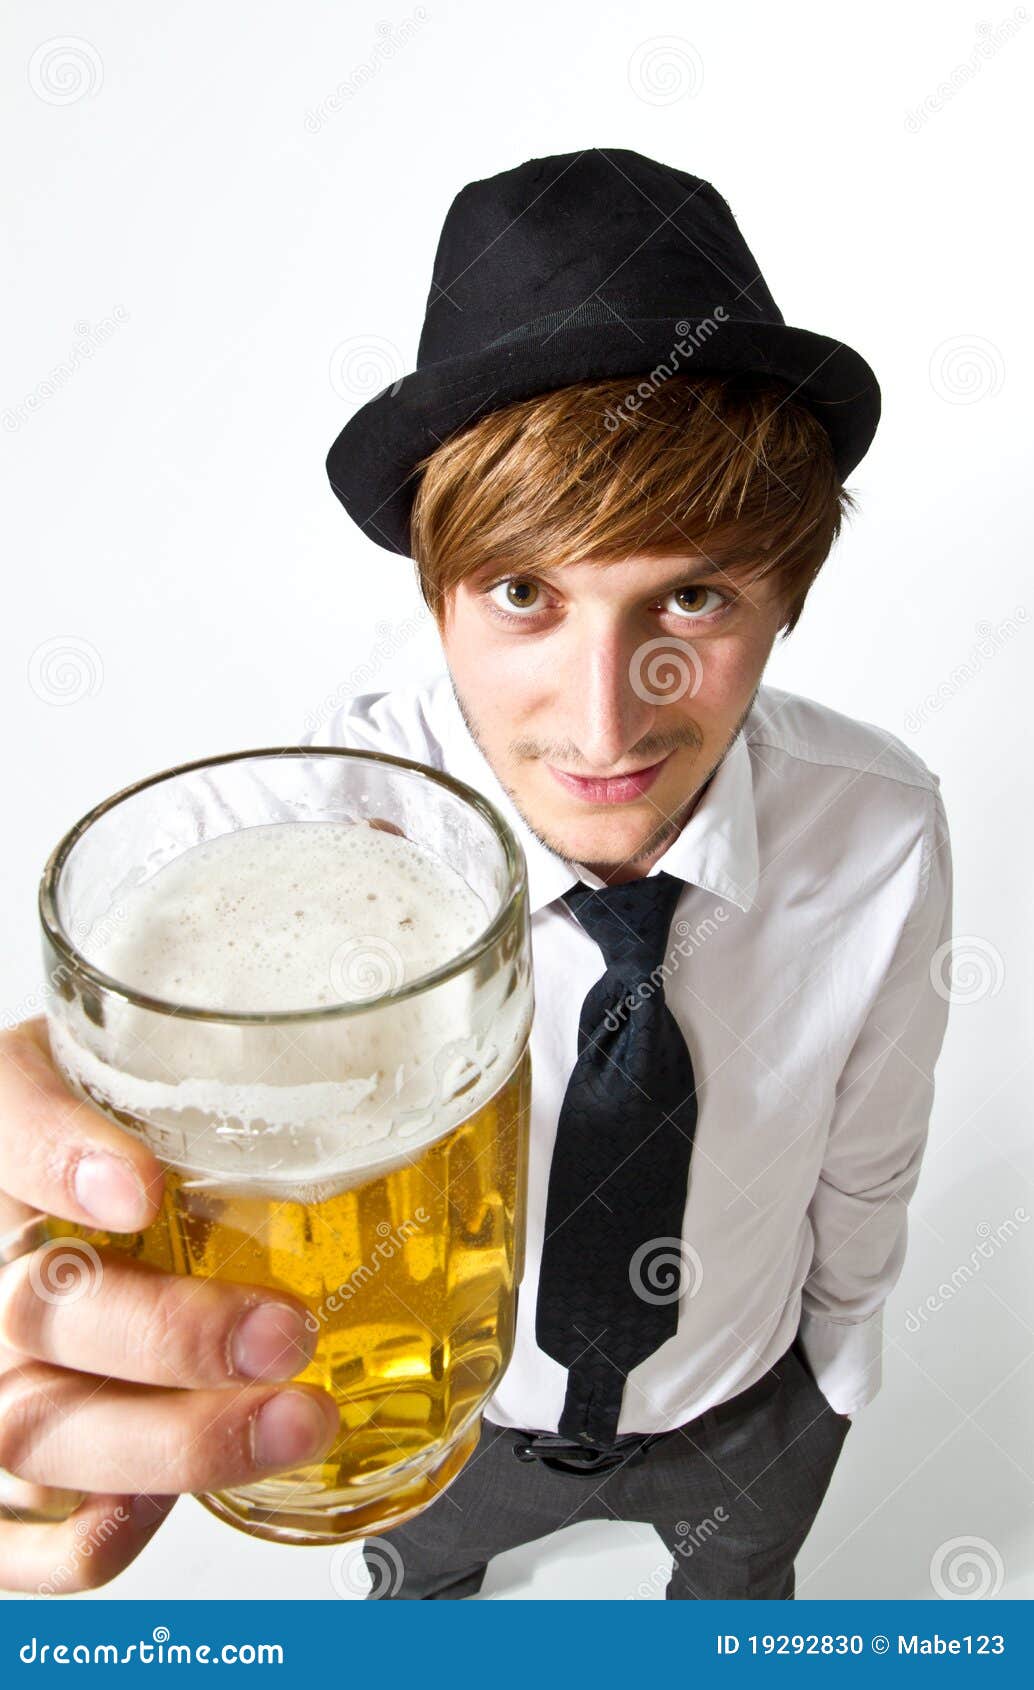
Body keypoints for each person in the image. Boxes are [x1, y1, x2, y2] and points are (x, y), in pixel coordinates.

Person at [0, 149, 952, 1599]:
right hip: (447, 1427)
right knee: (418, 1627)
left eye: (693, 596)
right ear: (436, 593)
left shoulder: (879, 824)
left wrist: (839, 1366)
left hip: (748, 1406)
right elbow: (71, 1092)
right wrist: (51, 1229)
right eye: (524, 594)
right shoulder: (289, 842)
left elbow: (868, 1147)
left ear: (786, 595)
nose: (603, 723)